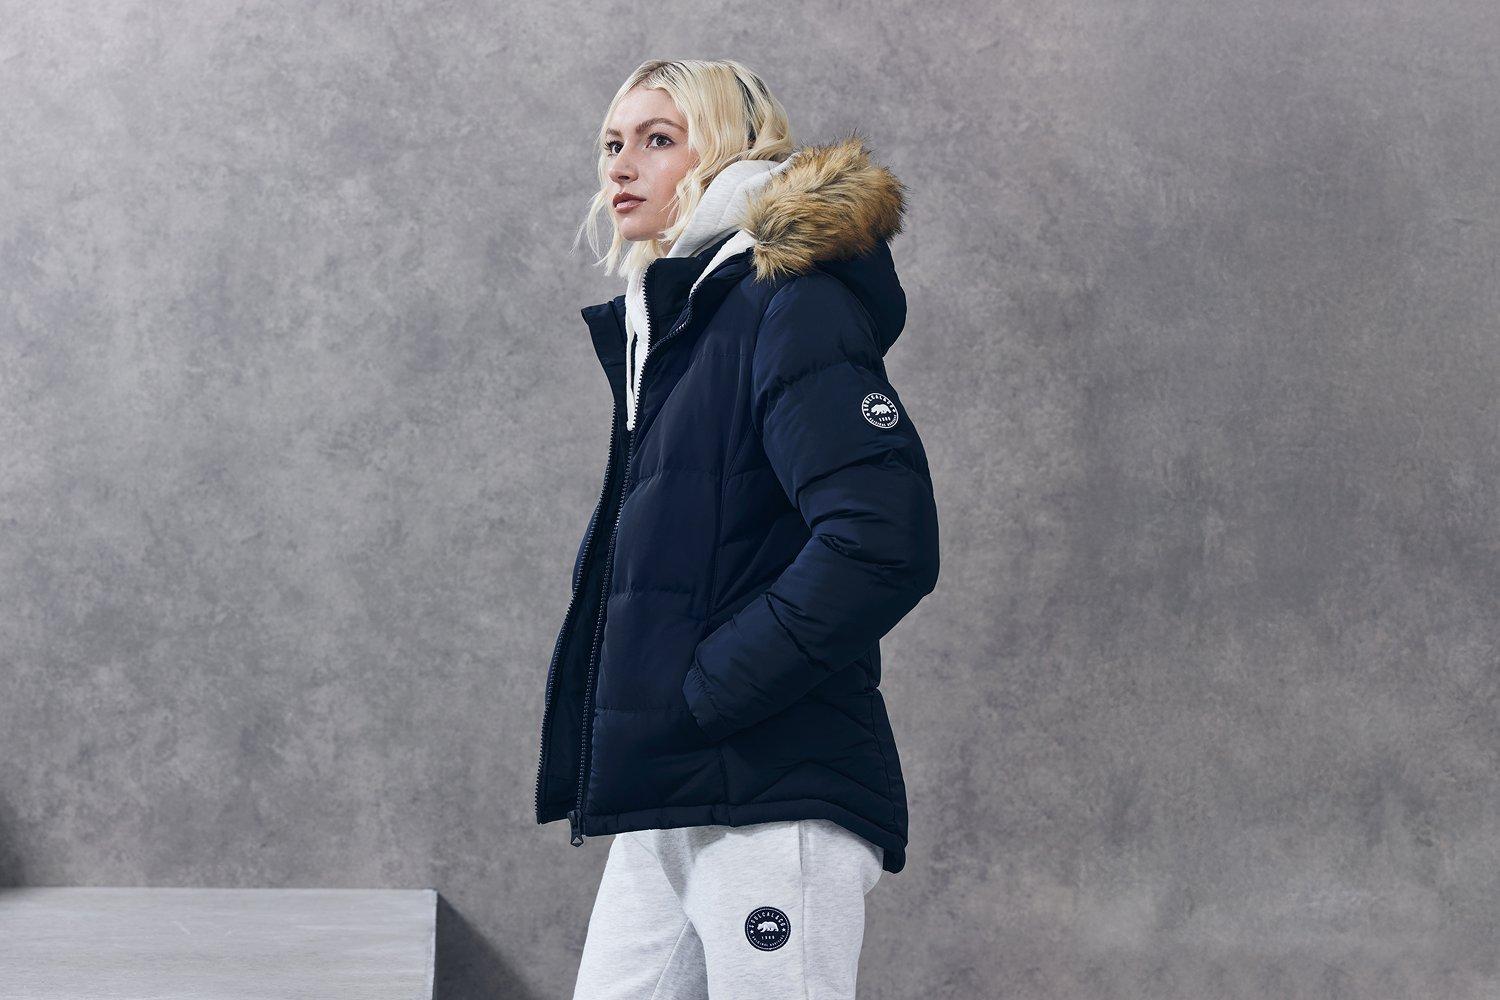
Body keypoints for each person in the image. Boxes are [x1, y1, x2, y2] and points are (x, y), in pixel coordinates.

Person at [535, 58, 941, 999]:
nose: (620, 166)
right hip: (671, 791)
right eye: (612, 143)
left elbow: (882, 539)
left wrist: (711, 688)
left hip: (771, 791)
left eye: (658, 140)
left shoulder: (789, 303)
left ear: (726, 153)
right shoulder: (681, 326)